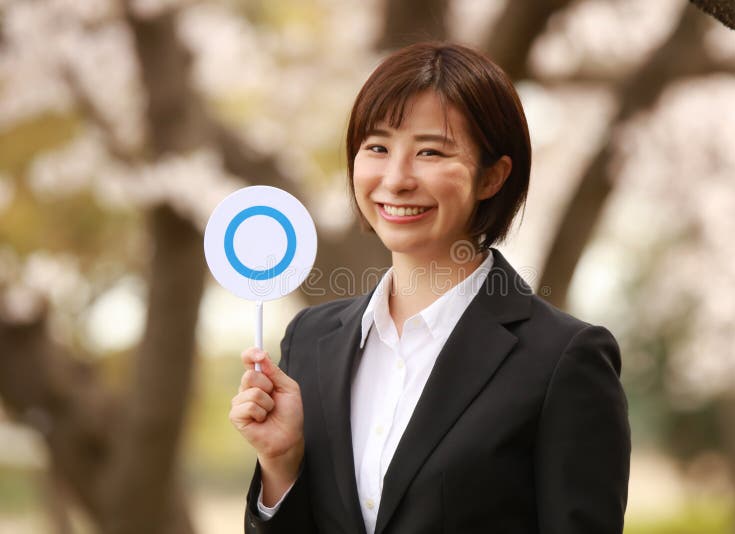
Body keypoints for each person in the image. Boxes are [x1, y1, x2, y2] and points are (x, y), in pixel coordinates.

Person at [229, 41, 630, 534]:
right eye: (376, 147)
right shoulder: (311, 339)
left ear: (493, 177)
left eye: (430, 152)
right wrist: (280, 466)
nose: (395, 179)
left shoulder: (563, 359)